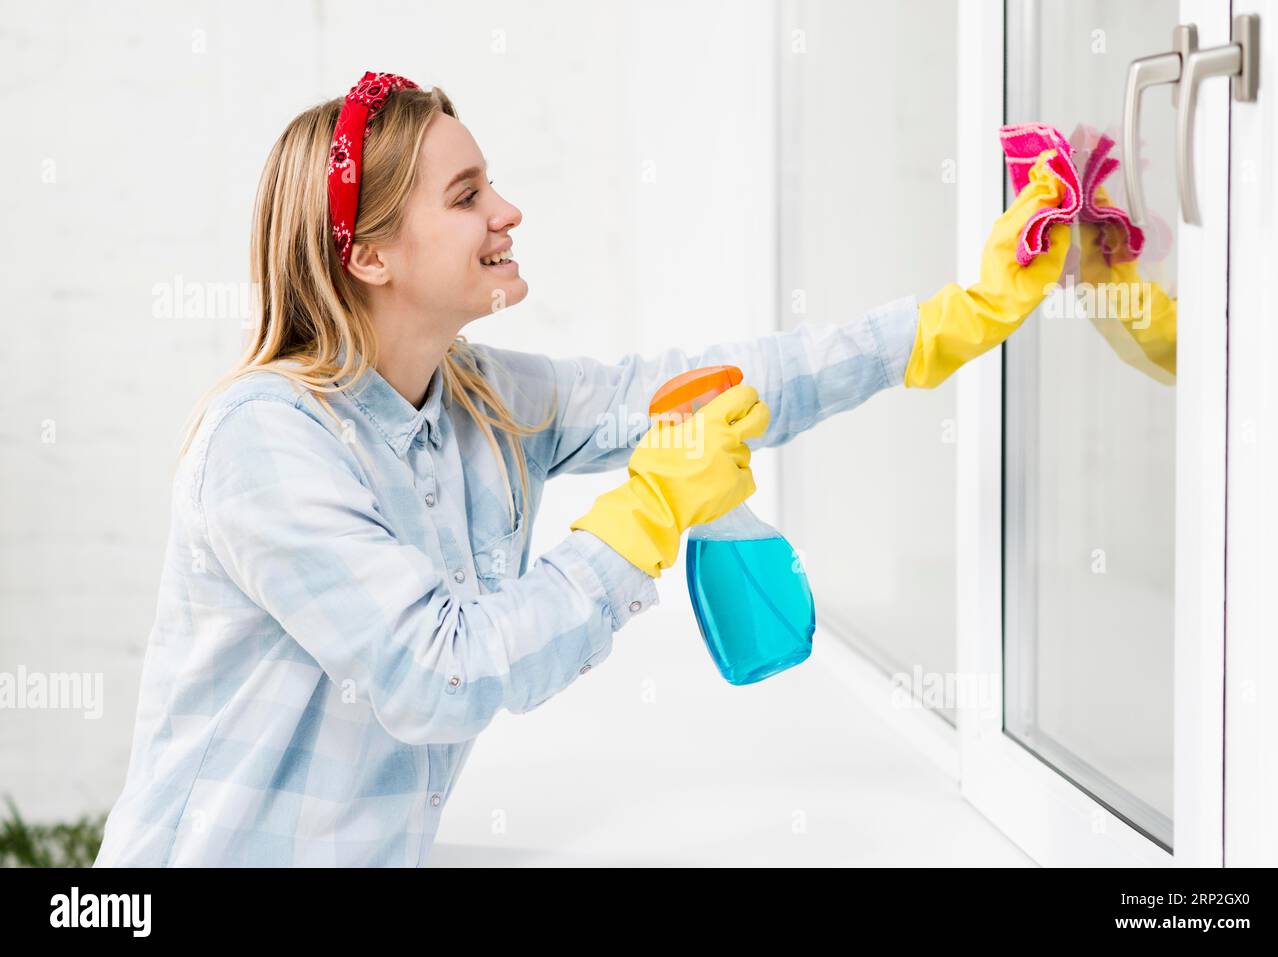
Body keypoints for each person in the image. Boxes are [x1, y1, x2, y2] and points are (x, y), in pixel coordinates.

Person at [94, 72, 1069, 867]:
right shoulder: (267, 444)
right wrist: (645, 515)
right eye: (467, 195)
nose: (507, 211)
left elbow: (707, 385)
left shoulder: (480, 399)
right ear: (372, 254)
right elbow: (441, 673)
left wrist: (952, 321)